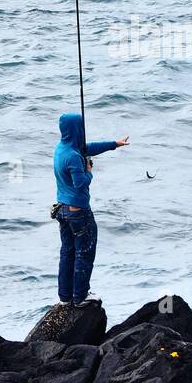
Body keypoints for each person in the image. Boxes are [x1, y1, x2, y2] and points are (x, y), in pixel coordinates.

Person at [53, 113, 129, 307]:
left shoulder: (62, 149)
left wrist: (114, 144)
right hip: (78, 212)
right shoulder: (73, 157)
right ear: (77, 129)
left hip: (62, 210)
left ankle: (65, 297)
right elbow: (80, 183)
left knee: (67, 253)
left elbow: (88, 148)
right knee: (84, 253)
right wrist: (88, 171)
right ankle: (80, 296)